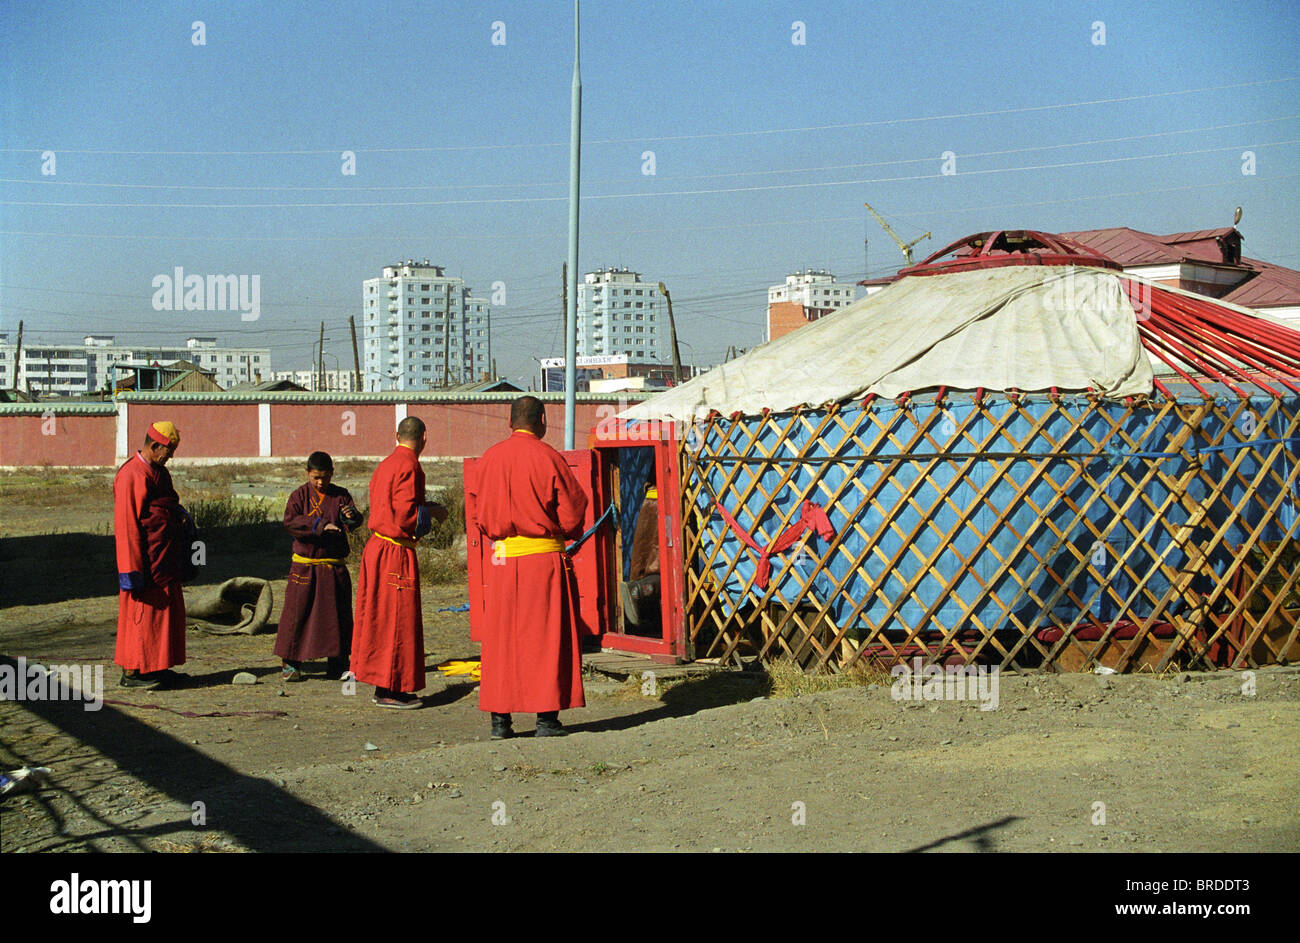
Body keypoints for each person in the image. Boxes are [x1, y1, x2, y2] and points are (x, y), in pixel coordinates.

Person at [470, 395, 588, 738]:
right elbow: (573, 514)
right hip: (544, 562)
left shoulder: (490, 458)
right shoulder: (549, 457)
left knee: (501, 640)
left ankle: (500, 722)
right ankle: (546, 721)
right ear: (543, 421)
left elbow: (479, 515)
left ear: (510, 422)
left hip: (504, 562)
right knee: (546, 638)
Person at [350, 417, 446, 708]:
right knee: (398, 621)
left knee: (379, 618)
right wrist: (431, 513)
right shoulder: (410, 465)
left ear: (396, 436)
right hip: (395, 552)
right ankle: (391, 689)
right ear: (424, 437)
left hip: (377, 549)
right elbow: (405, 514)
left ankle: (383, 682)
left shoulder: (386, 464)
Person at [113, 420, 192, 689]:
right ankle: (134, 672)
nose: (171, 457)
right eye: (168, 451)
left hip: (165, 555)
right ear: (155, 445)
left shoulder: (160, 473)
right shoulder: (131, 474)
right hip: (145, 559)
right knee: (142, 616)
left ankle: (158, 667)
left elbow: (170, 503)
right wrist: (130, 568)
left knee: (165, 616)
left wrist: (180, 518)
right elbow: (127, 525)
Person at [274, 451, 363, 682]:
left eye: (325, 477)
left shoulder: (341, 495)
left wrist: (350, 516)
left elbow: (354, 521)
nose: (321, 482)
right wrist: (319, 524)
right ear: (307, 474)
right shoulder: (298, 496)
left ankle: (338, 663)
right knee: (297, 614)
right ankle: (291, 664)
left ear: (332, 474)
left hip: (333, 566)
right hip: (305, 567)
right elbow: (290, 522)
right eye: (315, 478)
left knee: (338, 617)